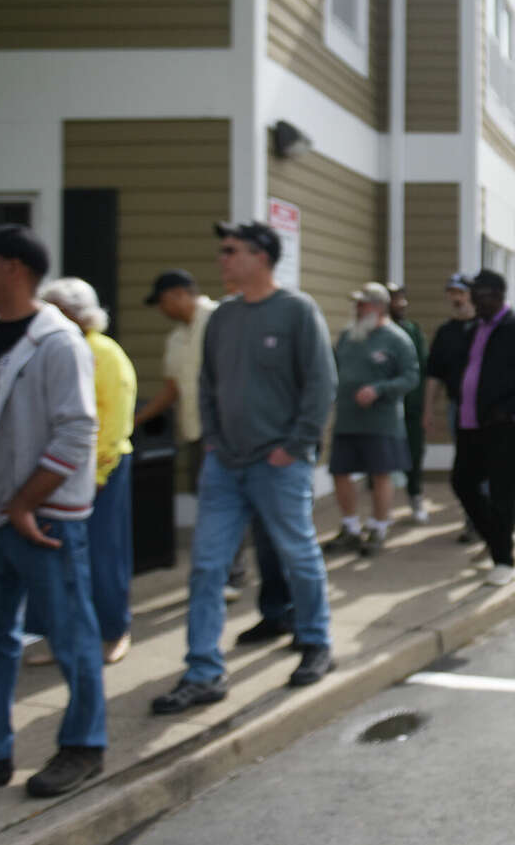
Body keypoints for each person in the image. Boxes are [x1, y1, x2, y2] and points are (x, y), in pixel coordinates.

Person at [0, 224, 106, 798]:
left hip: (43, 516)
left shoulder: (57, 341)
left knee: (70, 633)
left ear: (12, 268)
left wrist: (27, 502)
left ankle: (84, 745)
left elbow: (79, 428)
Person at [151, 222, 337, 715]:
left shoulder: (297, 311)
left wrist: (293, 446)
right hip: (224, 467)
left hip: (278, 464)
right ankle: (204, 672)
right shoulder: (224, 317)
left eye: (230, 252)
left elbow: (320, 386)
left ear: (260, 257)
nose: (222, 260)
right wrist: (212, 440)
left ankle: (316, 642)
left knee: (298, 554)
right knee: (208, 566)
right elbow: (207, 385)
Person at [136, 269, 292, 644]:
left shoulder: (222, 318)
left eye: (161, 302)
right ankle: (226, 578)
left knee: (244, 512)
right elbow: (173, 389)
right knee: (214, 507)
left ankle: (245, 583)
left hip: (233, 434)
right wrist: (135, 421)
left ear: (177, 295)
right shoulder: (176, 338)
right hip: (196, 433)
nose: (161, 310)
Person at [26, 279, 137, 666]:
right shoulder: (53, 348)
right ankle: (63, 637)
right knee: (60, 558)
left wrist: (99, 473)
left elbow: (115, 420)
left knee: (104, 554)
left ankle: (114, 630)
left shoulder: (104, 354)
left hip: (100, 470)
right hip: (59, 470)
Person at [427, 269, 515, 586]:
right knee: (462, 482)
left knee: (502, 490)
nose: (473, 302)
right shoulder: (474, 329)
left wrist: (508, 408)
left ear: (495, 295)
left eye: (478, 296)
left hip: (503, 425)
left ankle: (504, 560)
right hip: (470, 421)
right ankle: (497, 536)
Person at [325, 282, 420, 556]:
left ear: (378, 307)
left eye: (362, 304)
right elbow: (332, 370)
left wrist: (379, 389)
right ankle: (350, 527)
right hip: (347, 418)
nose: (356, 309)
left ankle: (379, 526)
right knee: (340, 471)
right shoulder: (347, 336)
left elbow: (411, 377)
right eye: (356, 304)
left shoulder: (397, 339)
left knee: (380, 473)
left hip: (380, 420)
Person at [424, 273, 478, 543]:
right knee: (467, 464)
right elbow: (433, 374)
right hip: (456, 406)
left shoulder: (485, 327)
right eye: (452, 293)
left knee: (488, 462)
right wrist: (427, 410)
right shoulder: (445, 332)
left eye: (461, 292)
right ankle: (473, 519)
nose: (456, 298)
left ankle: (495, 514)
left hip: (486, 408)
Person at [385, 283, 430, 522]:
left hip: (411, 406)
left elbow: (423, 368)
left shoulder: (413, 330)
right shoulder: (375, 331)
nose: (400, 304)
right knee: (383, 458)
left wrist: (425, 406)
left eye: (402, 298)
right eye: (395, 299)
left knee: (414, 453)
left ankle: (415, 498)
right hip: (383, 408)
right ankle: (384, 507)